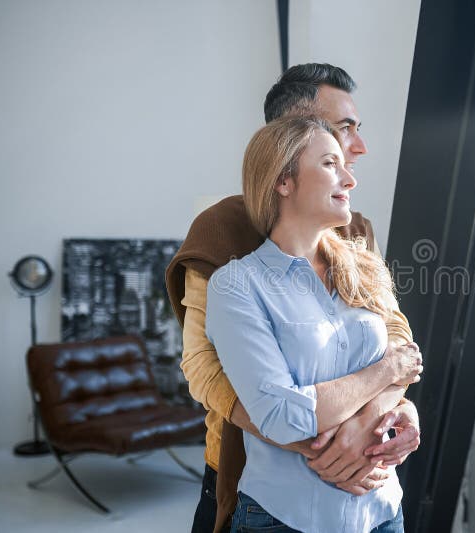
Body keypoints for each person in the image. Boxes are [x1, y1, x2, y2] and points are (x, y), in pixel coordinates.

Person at [164, 63, 421, 532]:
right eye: (343, 130)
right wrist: (310, 439)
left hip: (374, 495)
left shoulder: (354, 231)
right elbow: (202, 365)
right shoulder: (221, 233)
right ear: (289, 134)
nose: (359, 148)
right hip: (255, 476)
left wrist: (385, 414)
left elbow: (396, 337)